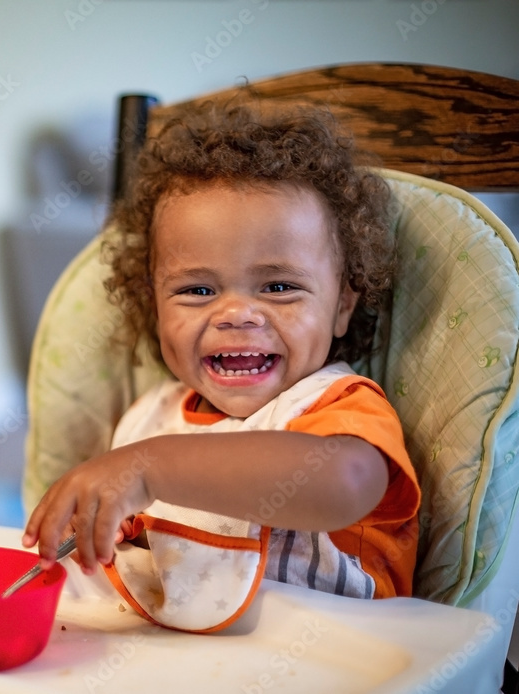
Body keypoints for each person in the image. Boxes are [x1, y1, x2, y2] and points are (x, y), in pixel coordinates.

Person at [22, 103, 421, 611]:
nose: (236, 314)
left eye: (279, 286)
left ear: (343, 304)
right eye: (197, 289)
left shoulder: (337, 408)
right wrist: (114, 524)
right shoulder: (149, 419)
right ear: (154, 305)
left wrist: (151, 470)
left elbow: (348, 484)